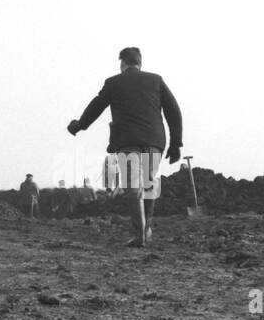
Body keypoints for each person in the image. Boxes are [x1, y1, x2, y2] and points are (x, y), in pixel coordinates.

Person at [67, 45, 183, 248]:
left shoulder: (114, 82)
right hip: (155, 142)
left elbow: (96, 106)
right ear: (140, 63)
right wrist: (175, 144)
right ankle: (146, 230)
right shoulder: (155, 80)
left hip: (128, 141)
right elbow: (174, 111)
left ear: (122, 63)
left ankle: (140, 235)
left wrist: (79, 125)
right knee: (148, 185)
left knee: (133, 188)